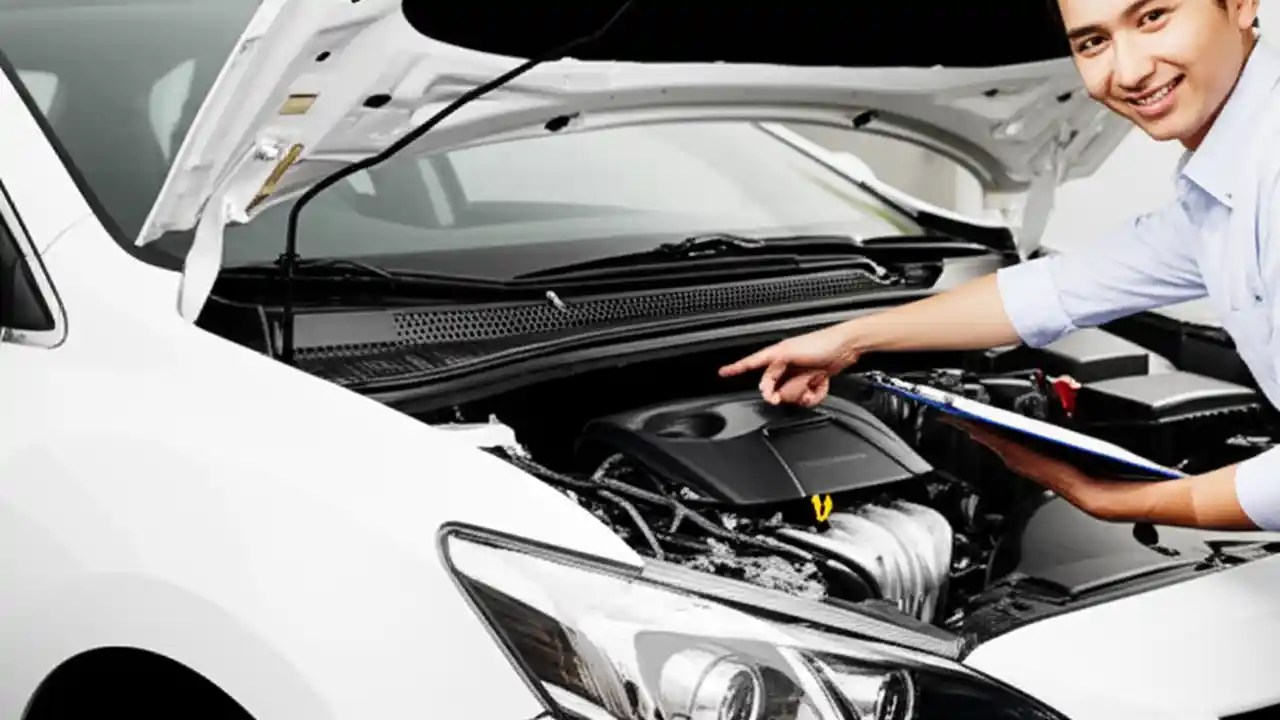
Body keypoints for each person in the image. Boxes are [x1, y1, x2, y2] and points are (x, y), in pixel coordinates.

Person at [720, 0, 1277, 531]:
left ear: (1241, 5)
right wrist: (852, 339)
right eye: (1093, 42)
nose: (1128, 70)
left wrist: (1127, 502)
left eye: (1153, 17)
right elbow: (1055, 289)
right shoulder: (1221, 186)